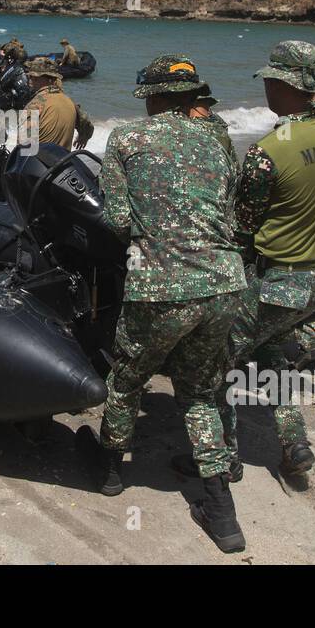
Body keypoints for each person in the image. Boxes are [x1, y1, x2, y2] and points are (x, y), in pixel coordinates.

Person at [80, 54, 249, 554]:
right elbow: (231, 209)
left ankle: (111, 469)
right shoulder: (217, 141)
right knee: (198, 391)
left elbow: (114, 218)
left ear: (149, 97)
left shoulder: (128, 138)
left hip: (160, 287)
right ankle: (220, 510)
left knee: (128, 377)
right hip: (223, 284)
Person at [225, 41, 315, 480]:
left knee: (213, 360)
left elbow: (242, 227)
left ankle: (217, 461)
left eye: (270, 82)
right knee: (271, 352)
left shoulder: (267, 151)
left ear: (283, 85)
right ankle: (294, 443)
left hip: (278, 283)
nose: (266, 90)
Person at [19, 57, 93, 150]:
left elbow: (23, 146)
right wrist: (83, 138)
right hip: (63, 161)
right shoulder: (70, 102)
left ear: (49, 79)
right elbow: (87, 126)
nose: (30, 80)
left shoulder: (35, 105)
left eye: (33, 77)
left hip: (38, 162)